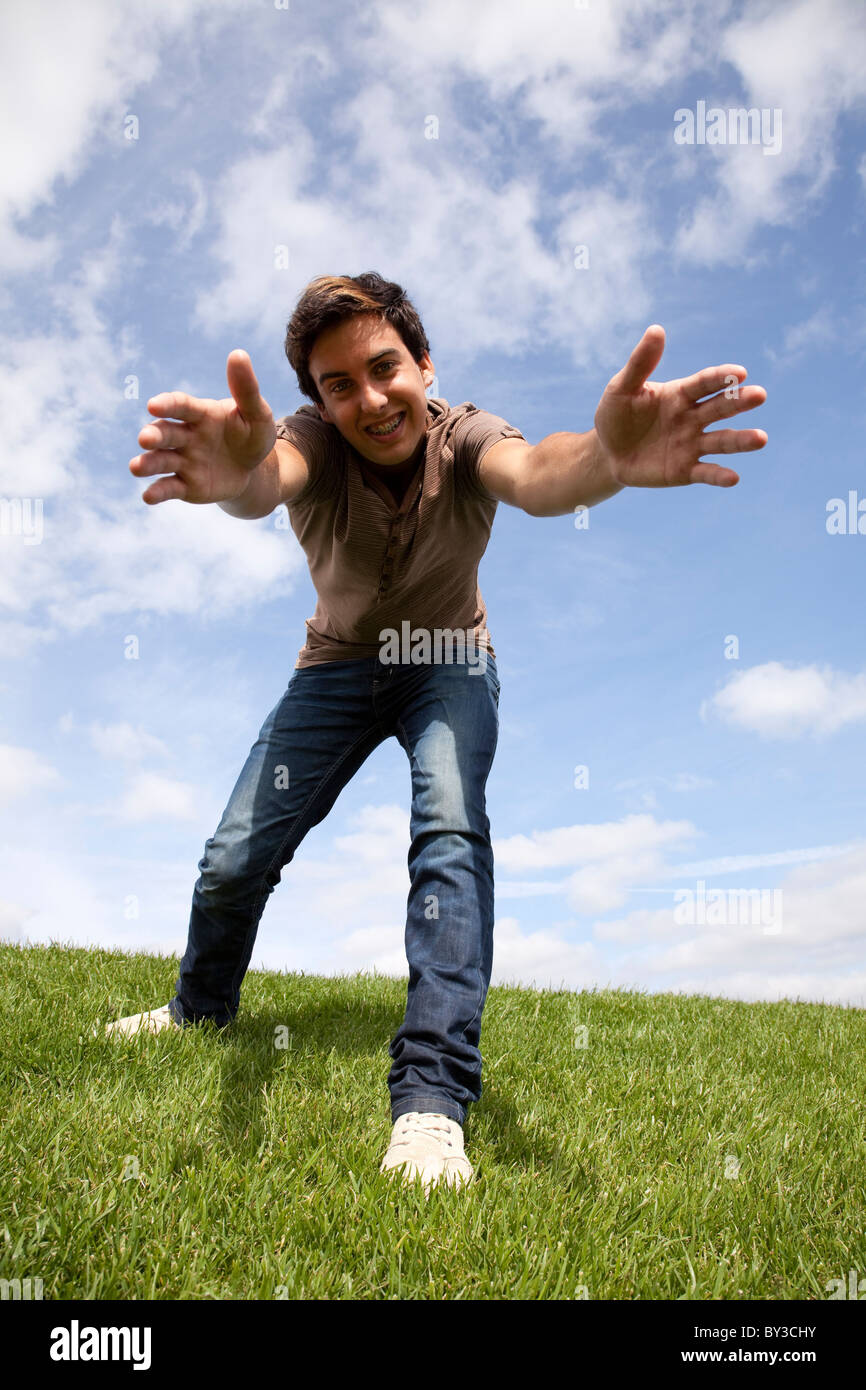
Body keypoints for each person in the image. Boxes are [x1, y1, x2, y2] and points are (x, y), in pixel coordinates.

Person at [106, 271, 767, 1195]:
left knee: (449, 837)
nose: (371, 399)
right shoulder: (310, 442)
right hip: (336, 666)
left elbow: (537, 475)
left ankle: (431, 1100)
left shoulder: (468, 436)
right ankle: (199, 1009)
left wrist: (607, 461)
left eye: (385, 368)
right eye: (339, 385)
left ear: (425, 365)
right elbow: (267, 479)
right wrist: (238, 484)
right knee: (232, 859)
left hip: (448, 659)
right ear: (318, 402)